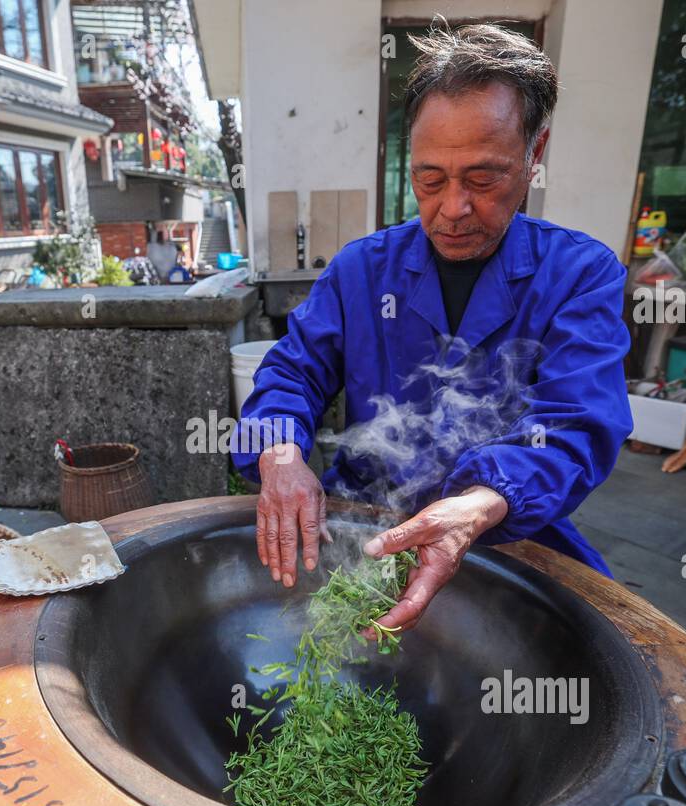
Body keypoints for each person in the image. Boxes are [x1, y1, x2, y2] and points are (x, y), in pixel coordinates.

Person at [233, 23, 633, 636]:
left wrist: (480, 503)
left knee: (595, 650)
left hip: (503, 527)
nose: (452, 208)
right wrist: (282, 454)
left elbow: (576, 426)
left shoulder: (579, 274)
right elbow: (290, 371)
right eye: (430, 179)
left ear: (535, 153)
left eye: (483, 179)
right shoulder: (361, 270)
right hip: (365, 520)